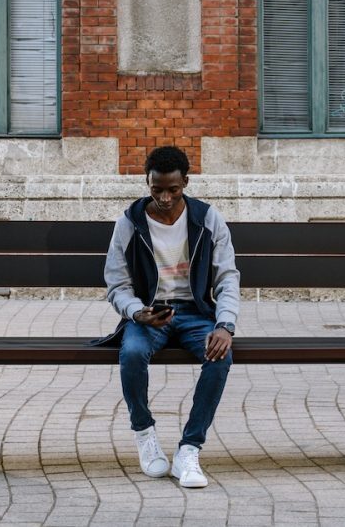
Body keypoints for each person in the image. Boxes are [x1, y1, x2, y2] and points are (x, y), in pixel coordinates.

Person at [101, 146, 239, 488]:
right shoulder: (129, 222)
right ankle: (144, 433)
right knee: (131, 353)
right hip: (150, 313)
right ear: (147, 182)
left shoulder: (208, 219)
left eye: (173, 189)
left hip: (195, 312)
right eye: (157, 188)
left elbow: (227, 277)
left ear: (186, 183)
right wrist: (137, 312)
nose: (164, 197)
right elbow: (117, 284)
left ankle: (189, 450)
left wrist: (225, 325)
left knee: (220, 356)